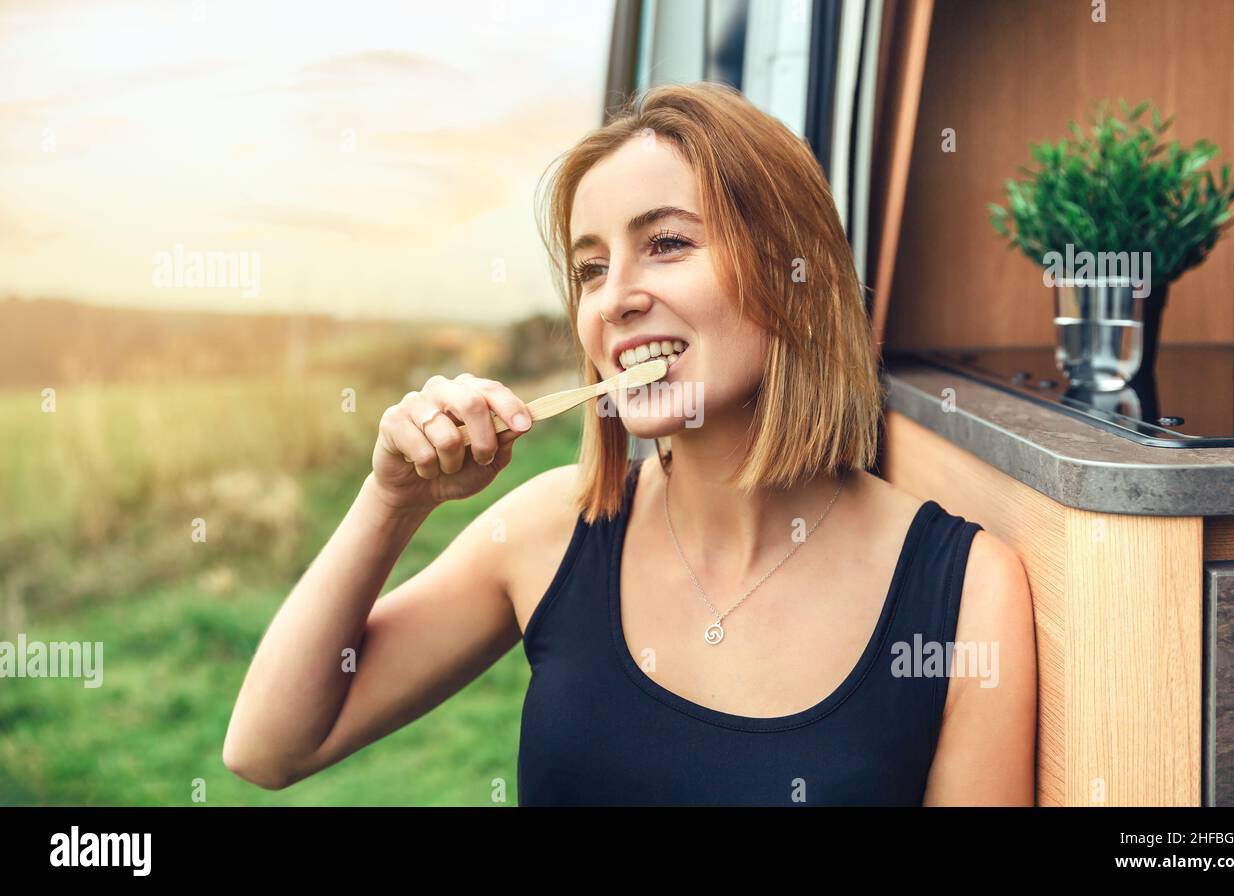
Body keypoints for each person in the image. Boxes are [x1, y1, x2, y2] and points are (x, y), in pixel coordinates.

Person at [223, 81, 1037, 806]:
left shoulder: (966, 593)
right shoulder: (549, 533)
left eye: (668, 243)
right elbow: (270, 746)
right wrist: (392, 500)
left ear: (796, 269)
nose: (613, 300)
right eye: (589, 268)